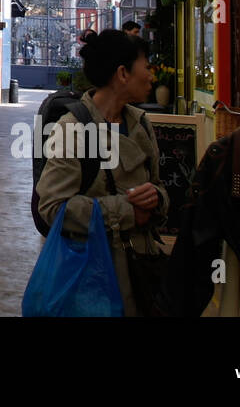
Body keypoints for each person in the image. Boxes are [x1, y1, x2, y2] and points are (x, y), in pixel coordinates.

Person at [35, 29, 169, 316]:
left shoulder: (141, 124)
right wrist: (127, 211)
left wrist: (156, 198)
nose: (151, 76)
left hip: (141, 274)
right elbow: (53, 208)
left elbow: (159, 186)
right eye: (146, 67)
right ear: (123, 73)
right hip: (93, 280)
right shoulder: (73, 129)